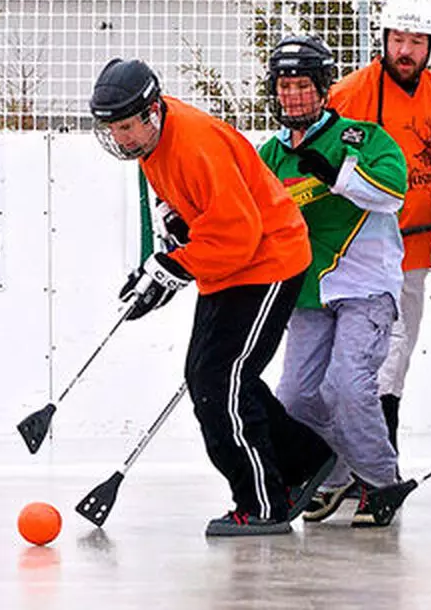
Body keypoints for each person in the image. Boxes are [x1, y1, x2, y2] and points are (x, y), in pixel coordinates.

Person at [89, 58, 335, 537]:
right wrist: (167, 259)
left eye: (125, 127)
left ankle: (263, 502)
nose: (120, 138)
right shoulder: (152, 143)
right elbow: (193, 212)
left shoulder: (196, 144)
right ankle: (305, 458)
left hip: (268, 261)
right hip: (229, 267)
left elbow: (238, 235)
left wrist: (174, 267)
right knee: (208, 376)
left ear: (152, 111)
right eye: (112, 129)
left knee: (221, 381)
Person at [258, 36, 409, 526]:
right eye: (285, 85)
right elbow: (249, 211)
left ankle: (381, 482)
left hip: (365, 288)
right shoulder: (269, 154)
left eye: (303, 85)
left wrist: (337, 175)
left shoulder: (361, 137)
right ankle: (333, 473)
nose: (294, 95)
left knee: (348, 386)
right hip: (305, 292)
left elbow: (392, 193)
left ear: (324, 89)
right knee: (296, 397)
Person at [328, 0, 431, 450]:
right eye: (398, 38)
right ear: (384, 37)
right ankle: (348, 456)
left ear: (430, 45)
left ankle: (376, 461)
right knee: (361, 358)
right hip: (359, 253)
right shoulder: (351, 94)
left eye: (417, 41)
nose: (405, 51)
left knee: (395, 359)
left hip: (414, 252)